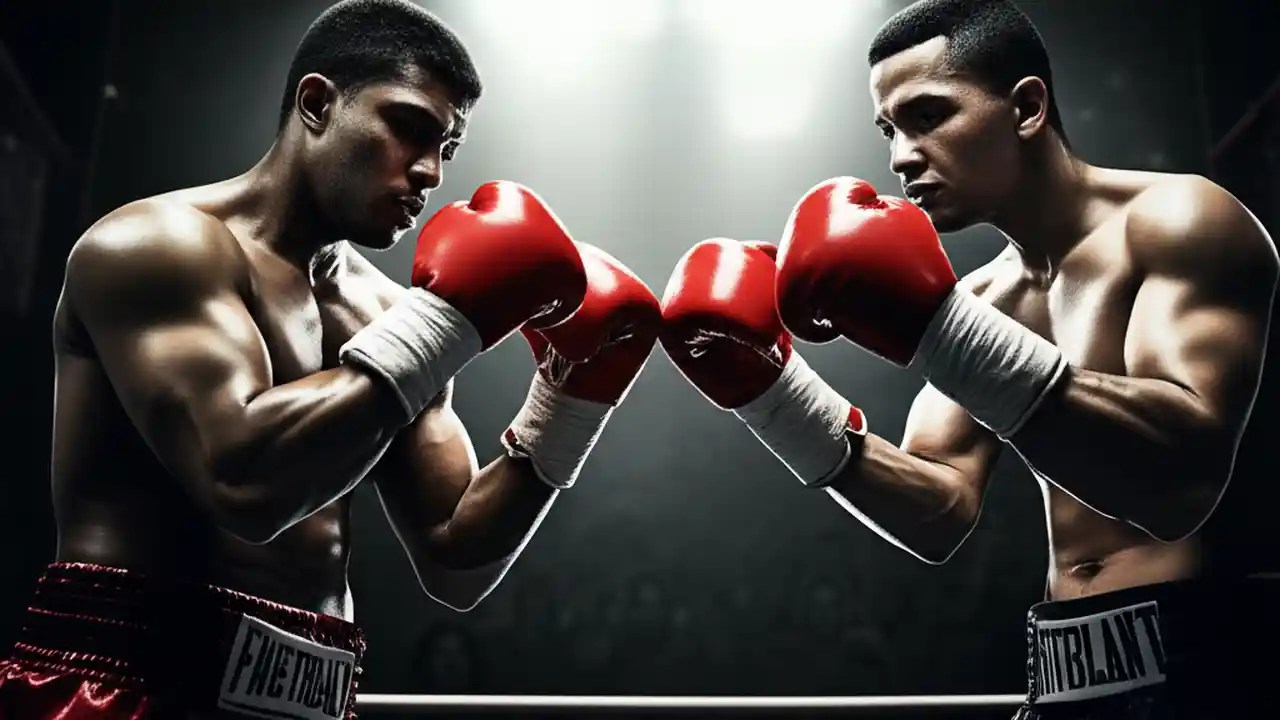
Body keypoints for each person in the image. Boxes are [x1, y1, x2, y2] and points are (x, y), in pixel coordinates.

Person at [0, 1, 661, 718]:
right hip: (129, 684)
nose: (431, 171)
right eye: (409, 128)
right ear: (317, 103)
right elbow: (242, 485)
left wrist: (569, 403)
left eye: (448, 148)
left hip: (310, 694)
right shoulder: (156, 248)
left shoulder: (390, 316)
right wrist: (448, 323)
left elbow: (454, 556)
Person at [662, 0, 1279, 716]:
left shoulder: (1177, 221)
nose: (900, 157)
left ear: (1025, 107)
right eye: (889, 130)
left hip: (1214, 660)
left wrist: (939, 331)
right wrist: (776, 396)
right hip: (1061, 668)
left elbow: (1180, 486)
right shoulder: (977, 301)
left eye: (928, 116)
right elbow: (939, 510)